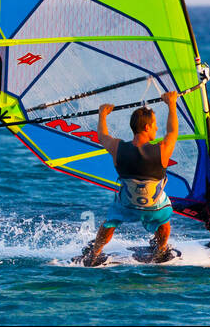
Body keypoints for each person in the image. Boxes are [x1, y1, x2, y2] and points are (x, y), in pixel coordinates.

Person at [74, 92, 181, 267]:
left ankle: (95, 253)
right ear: (146, 127)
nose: (156, 129)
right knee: (164, 218)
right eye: (154, 125)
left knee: (110, 221)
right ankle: (161, 250)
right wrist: (171, 103)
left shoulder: (118, 147)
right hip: (154, 207)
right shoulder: (162, 149)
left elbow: (102, 136)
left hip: (127, 205)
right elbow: (173, 131)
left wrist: (102, 113)